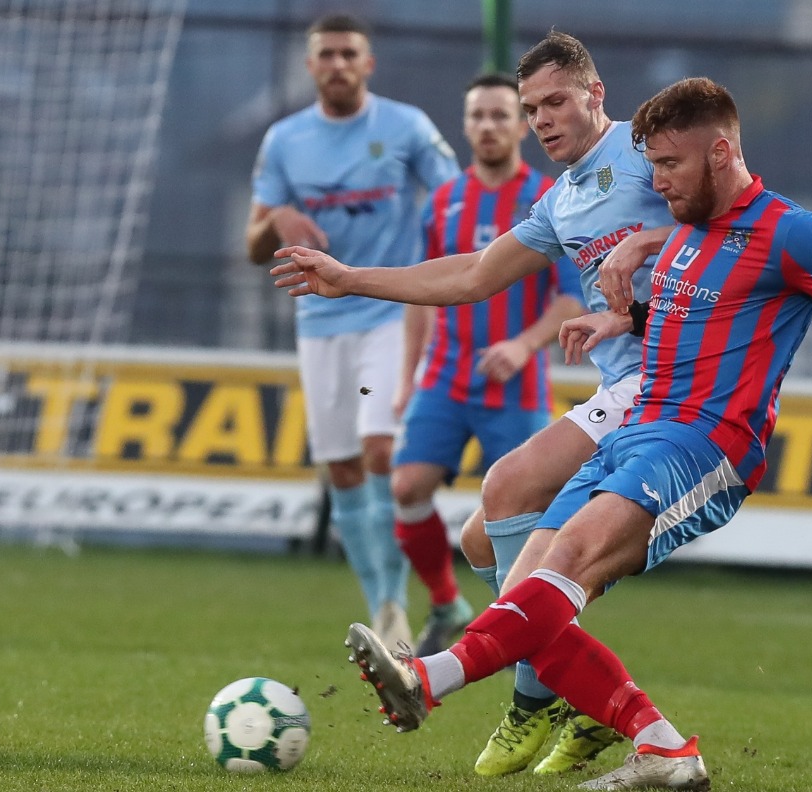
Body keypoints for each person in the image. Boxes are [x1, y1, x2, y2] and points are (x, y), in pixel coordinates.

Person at [332, 76, 812, 790]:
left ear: (721, 153)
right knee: (527, 592)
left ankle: (426, 680)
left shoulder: (793, 233)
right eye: (653, 164)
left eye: (670, 164)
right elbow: (698, 313)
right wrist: (624, 320)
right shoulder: (683, 235)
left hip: (704, 443)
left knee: (567, 558)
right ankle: (660, 745)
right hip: (636, 428)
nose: (658, 180)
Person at [272, 31, 677, 778]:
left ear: (596, 94)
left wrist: (646, 242)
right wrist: (350, 278)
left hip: (679, 386)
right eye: (532, 109)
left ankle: (532, 700)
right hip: (621, 388)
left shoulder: (648, 150)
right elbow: (471, 276)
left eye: (555, 102)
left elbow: (735, 222)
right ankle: (577, 700)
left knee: (508, 496)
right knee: (481, 540)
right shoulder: (560, 200)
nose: (541, 120)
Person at [245, 13, 460, 647]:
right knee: (341, 468)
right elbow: (253, 245)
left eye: (348, 53)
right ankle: (392, 607)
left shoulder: (405, 127)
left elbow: (456, 199)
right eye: (327, 54)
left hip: (388, 310)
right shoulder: (285, 140)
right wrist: (277, 218)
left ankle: (408, 607)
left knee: (380, 452)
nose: (338, 64)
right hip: (318, 321)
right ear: (310, 66)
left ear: (368, 63)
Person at [392, 72, 585, 657]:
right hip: (445, 378)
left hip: (516, 386)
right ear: (465, 124)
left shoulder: (550, 198)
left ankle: (526, 635)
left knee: (522, 516)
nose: (488, 126)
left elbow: (572, 300)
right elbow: (421, 295)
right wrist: (406, 379)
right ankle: (446, 603)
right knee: (407, 486)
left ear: (522, 126)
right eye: (478, 115)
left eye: (501, 115)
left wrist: (523, 345)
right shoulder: (443, 201)